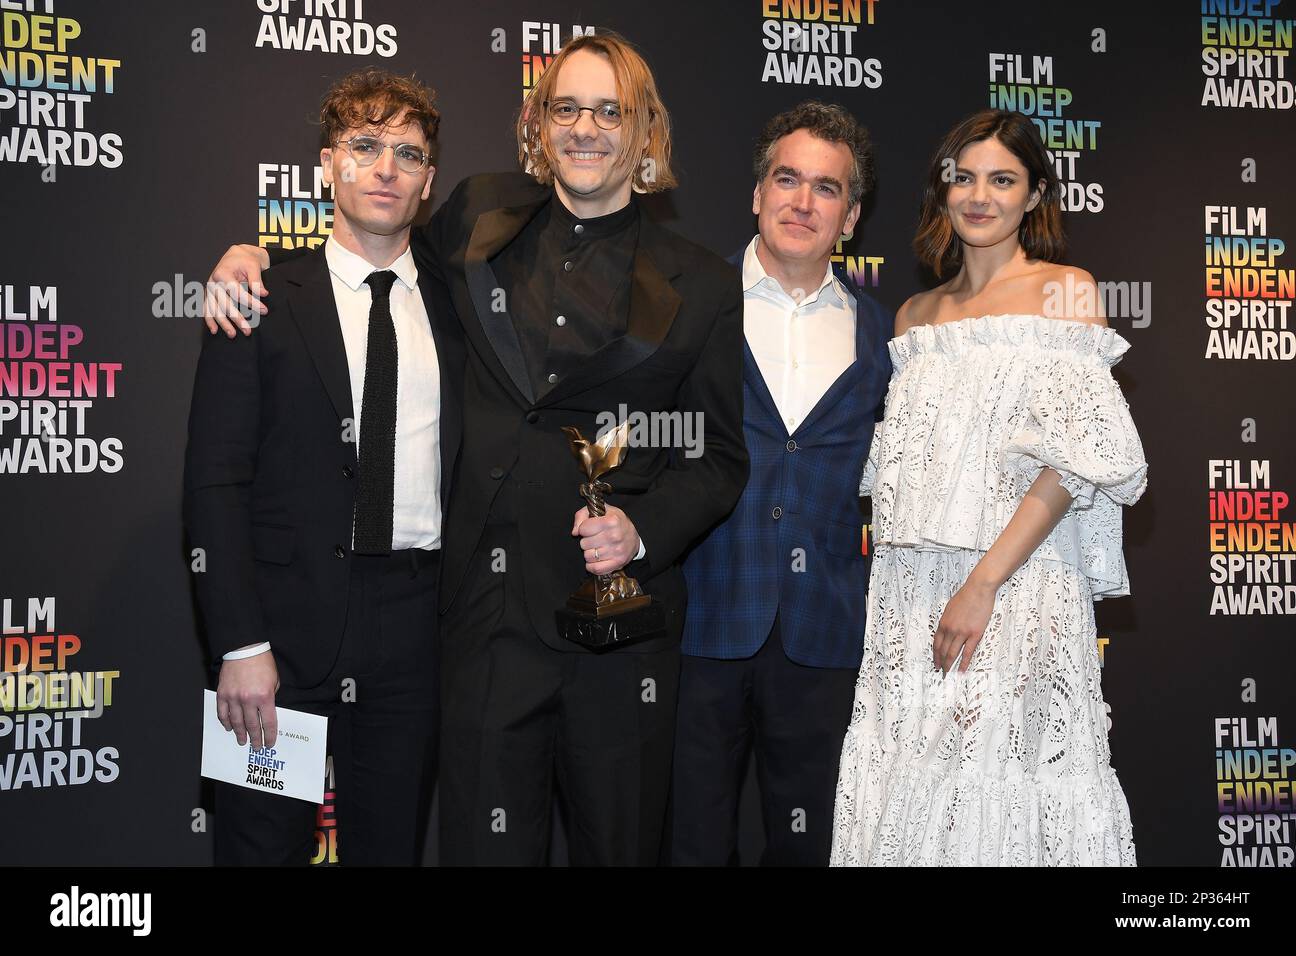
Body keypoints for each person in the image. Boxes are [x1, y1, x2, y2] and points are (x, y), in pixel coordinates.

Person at [201, 33, 748, 866]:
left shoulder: (703, 282)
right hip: (411, 637)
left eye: (610, 111)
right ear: (540, 123)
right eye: (566, 107)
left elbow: (716, 456)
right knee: (257, 846)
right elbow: (215, 479)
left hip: (574, 639)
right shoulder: (471, 225)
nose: (586, 128)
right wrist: (250, 254)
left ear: (644, 129)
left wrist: (641, 530)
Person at [831, 108, 1147, 866]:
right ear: (942, 192)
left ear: (1034, 195)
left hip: (1017, 586)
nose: (980, 195)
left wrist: (983, 582)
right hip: (912, 593)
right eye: (963, 178)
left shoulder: (1065, 293)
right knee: (915, 781)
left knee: (1009, 774)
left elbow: (1074, 463)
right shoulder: (914, 317)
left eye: (1002, 179)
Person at [185, 67, 462, 865]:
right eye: (365, 146)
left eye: (407, 154)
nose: (386, 168)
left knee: (389, 850)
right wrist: (239, 644)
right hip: (281, 627)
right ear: (327, 165)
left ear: (428, 181)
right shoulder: (260, 296)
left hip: (414, 626)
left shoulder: (462, 305)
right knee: (259, 850)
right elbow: (214, 479)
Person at [670, 102, 891, 866]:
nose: (802, 201)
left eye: (826, 189)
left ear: (852, 216)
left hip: (825, 637)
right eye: (786, 178)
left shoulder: (885, 335)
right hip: (700, 625)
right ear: (757, 194)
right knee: (691, 846)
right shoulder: (687, 307)